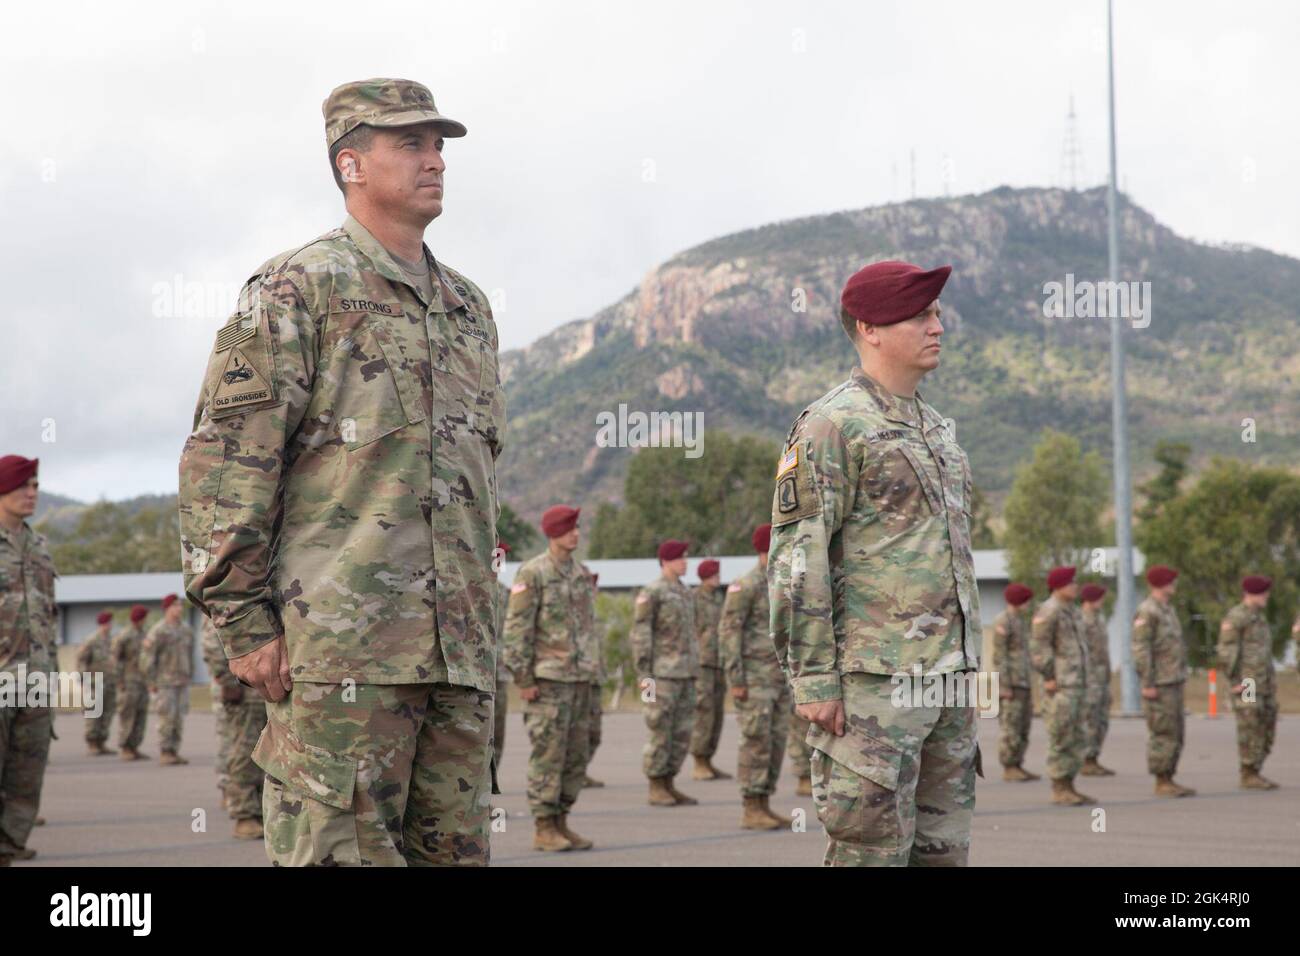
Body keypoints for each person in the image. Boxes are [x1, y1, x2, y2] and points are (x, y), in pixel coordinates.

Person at [178, 78, 502, 866]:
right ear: (351, 163)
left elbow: (475, 478)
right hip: (339, 663)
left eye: (439, 146)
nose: (436, 161)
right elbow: (226, 464)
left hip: (459, 662)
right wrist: (245, 626)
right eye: (411, 144)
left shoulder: (468, 306)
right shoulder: (298, 289)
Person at [768, 261, 982, 867]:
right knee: (872, 854)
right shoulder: (832, 425)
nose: (937, 325)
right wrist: (812, 679)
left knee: (943, 855)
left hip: (948, 685)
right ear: (871, 328)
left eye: (936, 312)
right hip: (873, 691)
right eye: (920, 315)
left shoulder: (938, 430)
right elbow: (794, 557)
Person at [503, 505, 595, 851]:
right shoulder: (533, 573)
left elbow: (587, 629)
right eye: (570, 528)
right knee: (548, 755)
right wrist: (524, 679)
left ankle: (561, 820)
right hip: (548, 681)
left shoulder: (580, 573)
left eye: (577, 528)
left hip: (580, 679)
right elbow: (516, 631)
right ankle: (543, 826)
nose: (576, 534)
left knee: (575, 755)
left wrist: (593, 672)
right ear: (554, 532)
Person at [0, 455, 56, 866]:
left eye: (35, 485)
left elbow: (46, 613)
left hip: (36, 676)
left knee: (28, 768)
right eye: (24, 485)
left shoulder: (39, 545)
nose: (32, 493)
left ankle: (9, 841)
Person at [720, 524, 790, 830]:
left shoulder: (780, 581)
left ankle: (764, 802)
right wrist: (736, 678)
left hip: (777, 678)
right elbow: (729, 632)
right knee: (756, 741)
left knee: (776, 741)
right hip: (754, 679)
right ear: (766, 548)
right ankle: (751, 806)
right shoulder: (745, 585)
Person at [632, 539, 699, 807]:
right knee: (660, 729)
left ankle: (670, 782)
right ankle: (656, 785)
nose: (685, 562)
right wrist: (644, 675)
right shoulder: (653, 592)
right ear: (666, 561)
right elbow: (640, 634)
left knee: (682, 732)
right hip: (660, 673)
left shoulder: (684, 591)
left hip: (685, 672)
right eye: (681, 558)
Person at [201, 619, 266, 839]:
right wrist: (228, 682)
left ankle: (260, 811)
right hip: (243, 690)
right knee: (244, 752)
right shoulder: (229, 596)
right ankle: (244, 816)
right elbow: (212, 642)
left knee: (265, 752)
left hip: (263, 688)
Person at [1133, 565, 1195, 797]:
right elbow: (1141, 649)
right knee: (1163, 732)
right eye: (1171, 580)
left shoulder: (1167, 609)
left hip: (1173, 679)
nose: (1174, 584)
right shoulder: (1148, 611)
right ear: (1159, 584)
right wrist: (1147, 682)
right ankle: (1161, 780)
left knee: (1176, 731)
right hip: (1159, 682)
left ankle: (1169, 776)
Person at [1217, 576, 1280, 790]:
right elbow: (1226, 651)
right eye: (1263, 593)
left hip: (1263, 682)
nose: (1267, 596)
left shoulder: (1258, 618)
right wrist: (1234, 681)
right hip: (1248, 683)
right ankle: (1248, 773)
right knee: (1250, 725)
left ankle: (1256, 769)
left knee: (1266, 724)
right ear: (1252, 594)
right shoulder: (1237, 617)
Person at [139, 593, 193, 765]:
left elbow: (189, 654)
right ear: (167, 608)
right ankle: (165, 751)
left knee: (179, 717)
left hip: (181, 681)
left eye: (180, 605)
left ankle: (174, 750)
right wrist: (151, 682)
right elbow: (147, 658)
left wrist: (189, 674)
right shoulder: (159, 630)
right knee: (166, 718)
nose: (179, 608)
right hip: (164, 682)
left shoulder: (185, 629)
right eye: (175, 605)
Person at [992, 583, 1038, 781]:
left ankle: (1018, 763)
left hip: (1023, 681)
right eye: (1026, 600)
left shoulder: (1020, 621)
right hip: (1011, 683)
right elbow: (999, 655)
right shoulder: (1004, 621)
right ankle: (1009, 766)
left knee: (1022, 726)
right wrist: (1004, 686)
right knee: (1010, 727)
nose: (1029, 604)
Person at [689, 558, 730, 781]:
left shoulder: (719, 599)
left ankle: (709, 758)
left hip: (719, 661)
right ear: (704, 577)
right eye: (713, 574)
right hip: (702, 662)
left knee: (717, 713)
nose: (717, 578)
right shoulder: (694, 598)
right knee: (703, 712)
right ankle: (698, 760)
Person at [1078, 583, 1115, 777]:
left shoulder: (1098, 620)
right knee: (1090, 719)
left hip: (1101, 677)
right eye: (1099, 598)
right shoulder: (1081, 621)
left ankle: (1093, 758)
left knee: (1101, 720)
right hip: (1089, 678)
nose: (1102, 601)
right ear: (1090, 600)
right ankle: (1085, 758)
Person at [112, 605, 152, 761]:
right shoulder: (125, 636)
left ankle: (134, 746)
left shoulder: (144, 634)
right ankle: (125, 747)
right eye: (144, 617)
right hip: (128, 681)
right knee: (128, 715)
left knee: (141, 715)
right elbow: (115, 659)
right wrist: (119, 680)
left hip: (142, 681)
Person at [76, 611, 118, 756]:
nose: (109, 626)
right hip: (95, 682)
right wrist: (84, 680)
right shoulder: (92, 640)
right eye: (107, 623)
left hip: (109, 682)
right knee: (94, 712)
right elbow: (81, 660)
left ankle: (102, 741)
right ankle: (92, 742)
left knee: (107, 712)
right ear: (101, 624)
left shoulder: (111, 640)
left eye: (110, 623)